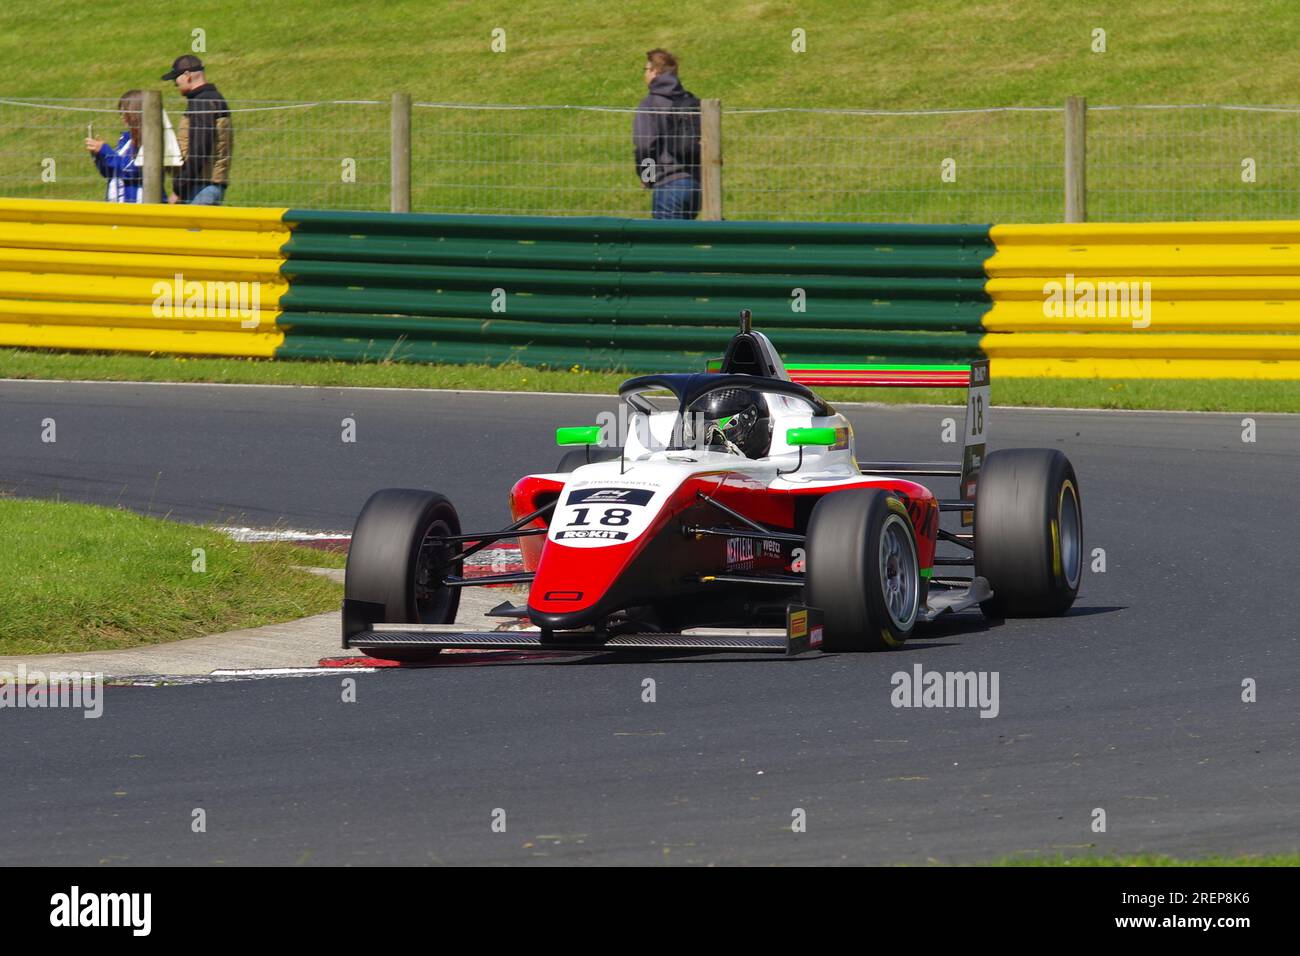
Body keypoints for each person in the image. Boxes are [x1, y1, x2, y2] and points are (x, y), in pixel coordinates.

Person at [633, 49, 702, 220]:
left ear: (655, 72)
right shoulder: (691, 101)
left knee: (666, 244)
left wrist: (648, 177)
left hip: (669, 186)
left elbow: (645, 145)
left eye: (646, 69)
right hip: (695, 186)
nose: (645, 74)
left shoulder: (650, 103)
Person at [160, 54, 232, 205]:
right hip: (207, 184)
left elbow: (199, 150)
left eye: (176, 79)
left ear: (187, 75)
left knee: (194, 229)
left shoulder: (202, 102)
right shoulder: (212, 98)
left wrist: (179, 188)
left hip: (201, 187)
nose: (175, 84)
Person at [84, 90, 158, 203]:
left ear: (135, 113)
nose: (122, 117)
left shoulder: (147, 141)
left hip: (137, 205)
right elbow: (110, 172)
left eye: (125, 112)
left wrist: (105, 150)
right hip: (116, 204)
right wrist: (98, 155)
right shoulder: (125, 139)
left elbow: (131, 170)